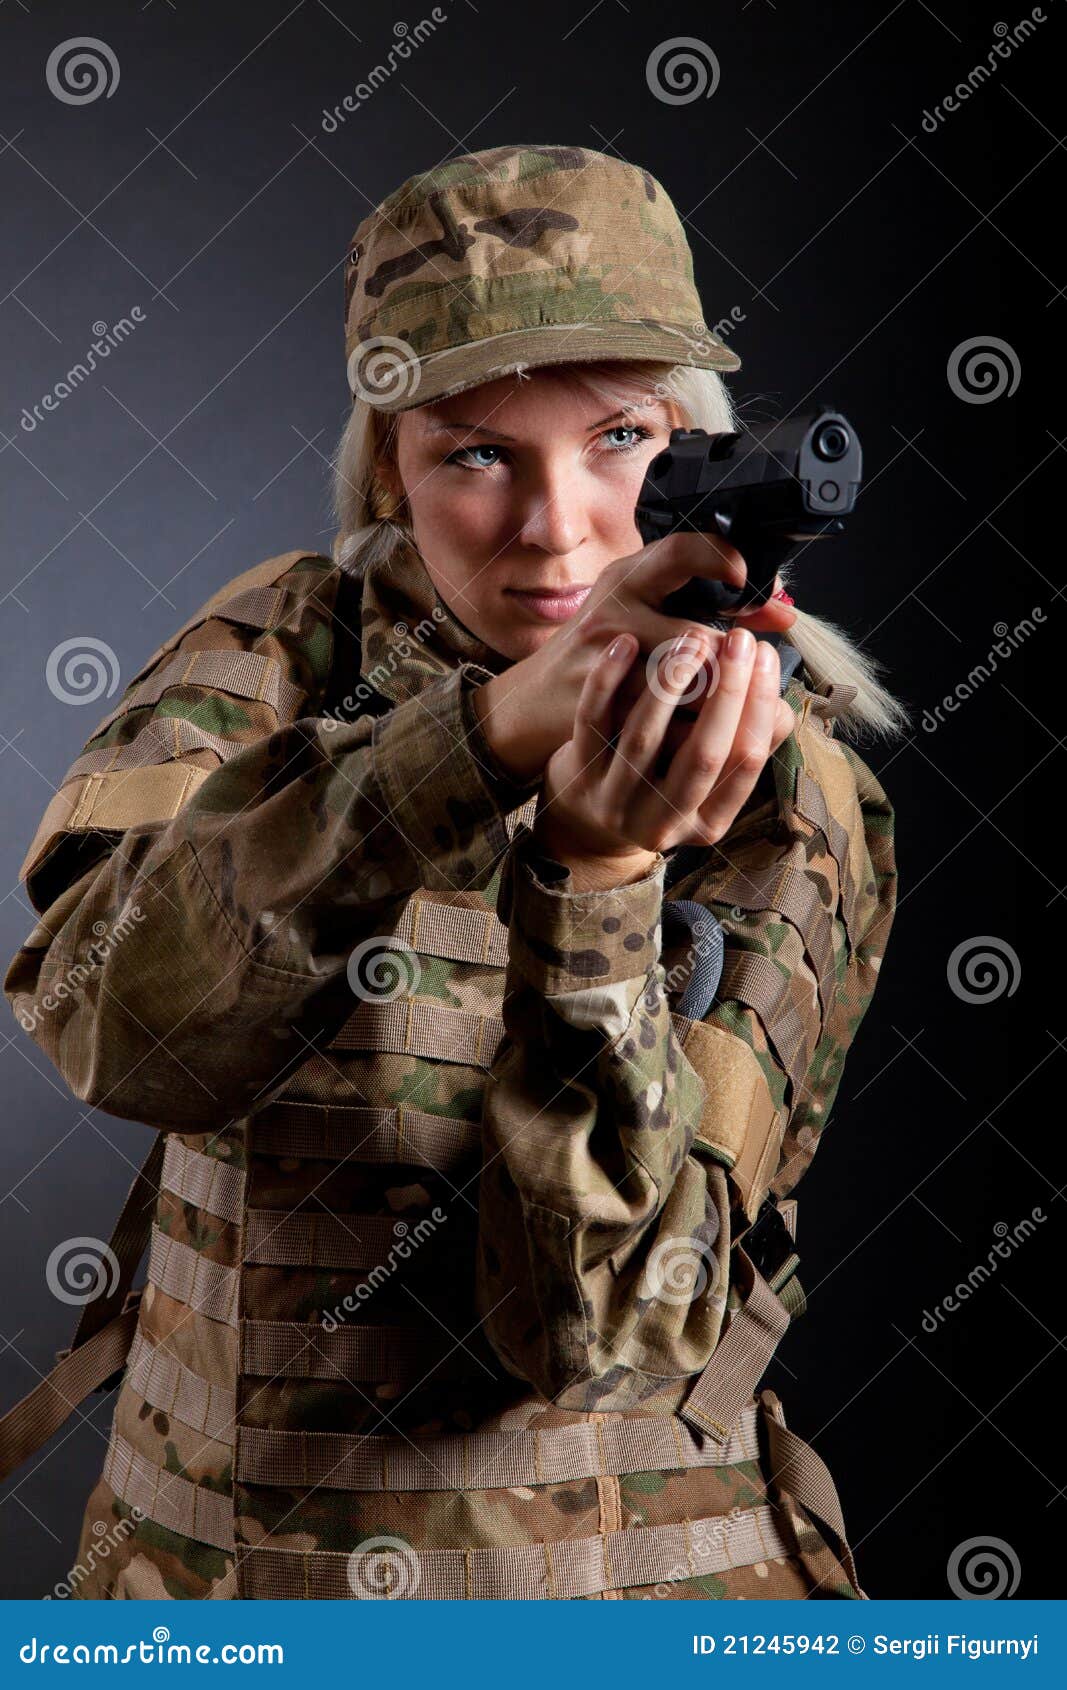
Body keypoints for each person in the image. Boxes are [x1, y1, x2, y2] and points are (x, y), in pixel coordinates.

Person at [3, 143, 905, 1601]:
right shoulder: (280, 657)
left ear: (698, 456)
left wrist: (598, 879)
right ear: (389, 468)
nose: (555, 527)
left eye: (620, 441)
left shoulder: (777, 780)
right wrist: (469, 744)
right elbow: (111, 1021)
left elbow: (593, 1339)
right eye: (476, 452)